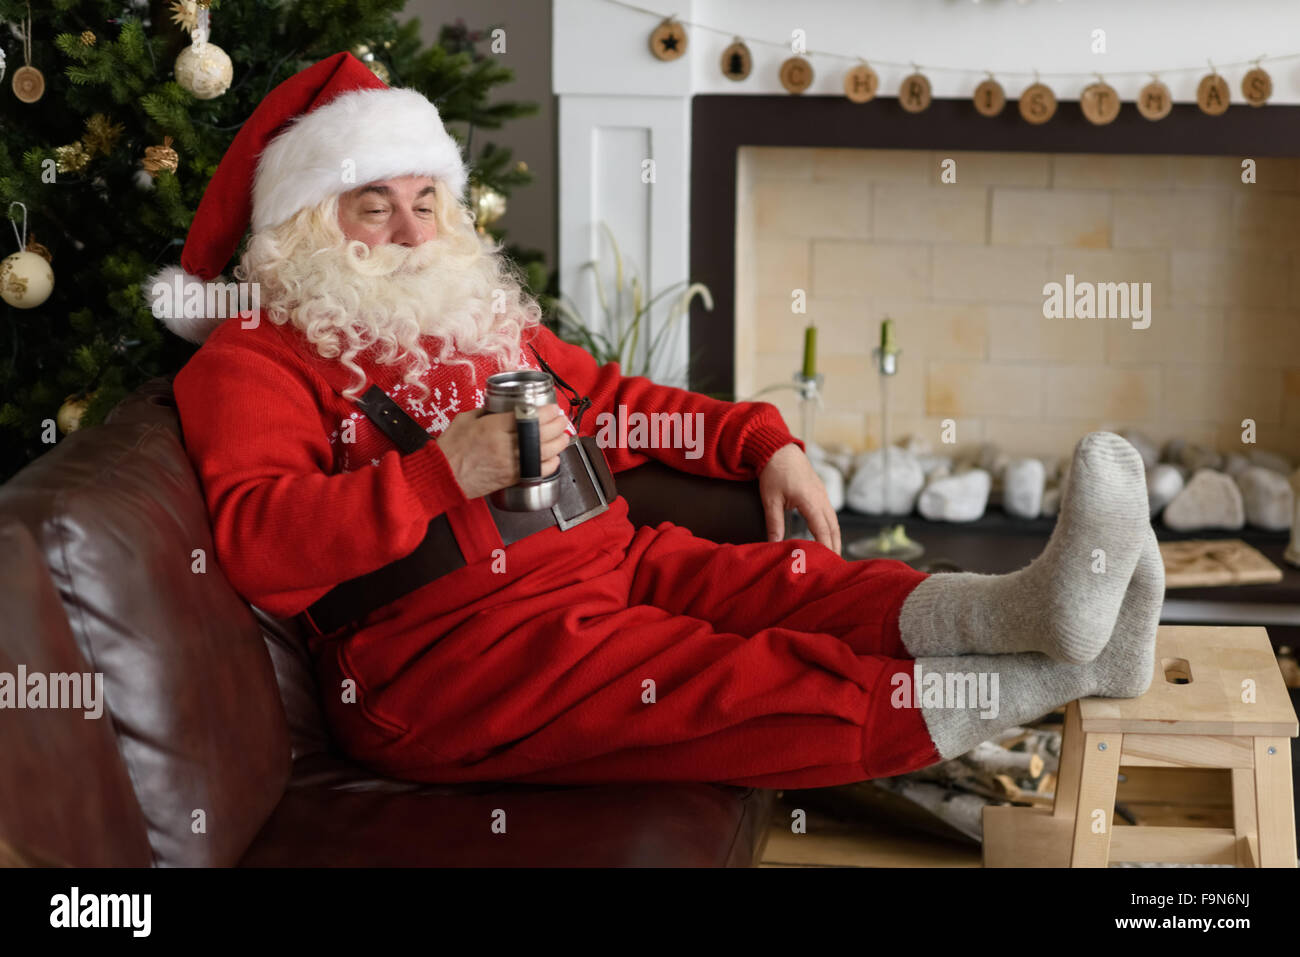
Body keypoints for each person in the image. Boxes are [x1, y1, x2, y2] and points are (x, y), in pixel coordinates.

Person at [154, 52, 1163, 790]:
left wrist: (761, 440)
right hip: (450, 661)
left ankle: (1037, 618)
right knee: (738, 681)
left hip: (611, 566)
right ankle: (1049, 676)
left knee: (797, 584)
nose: (414, 231)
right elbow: (258, 548)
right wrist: (434, 476)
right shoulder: (254, 364)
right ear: (303, 228)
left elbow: (626, 407)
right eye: (373, 206)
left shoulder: (475, 322)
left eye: (426, 198)